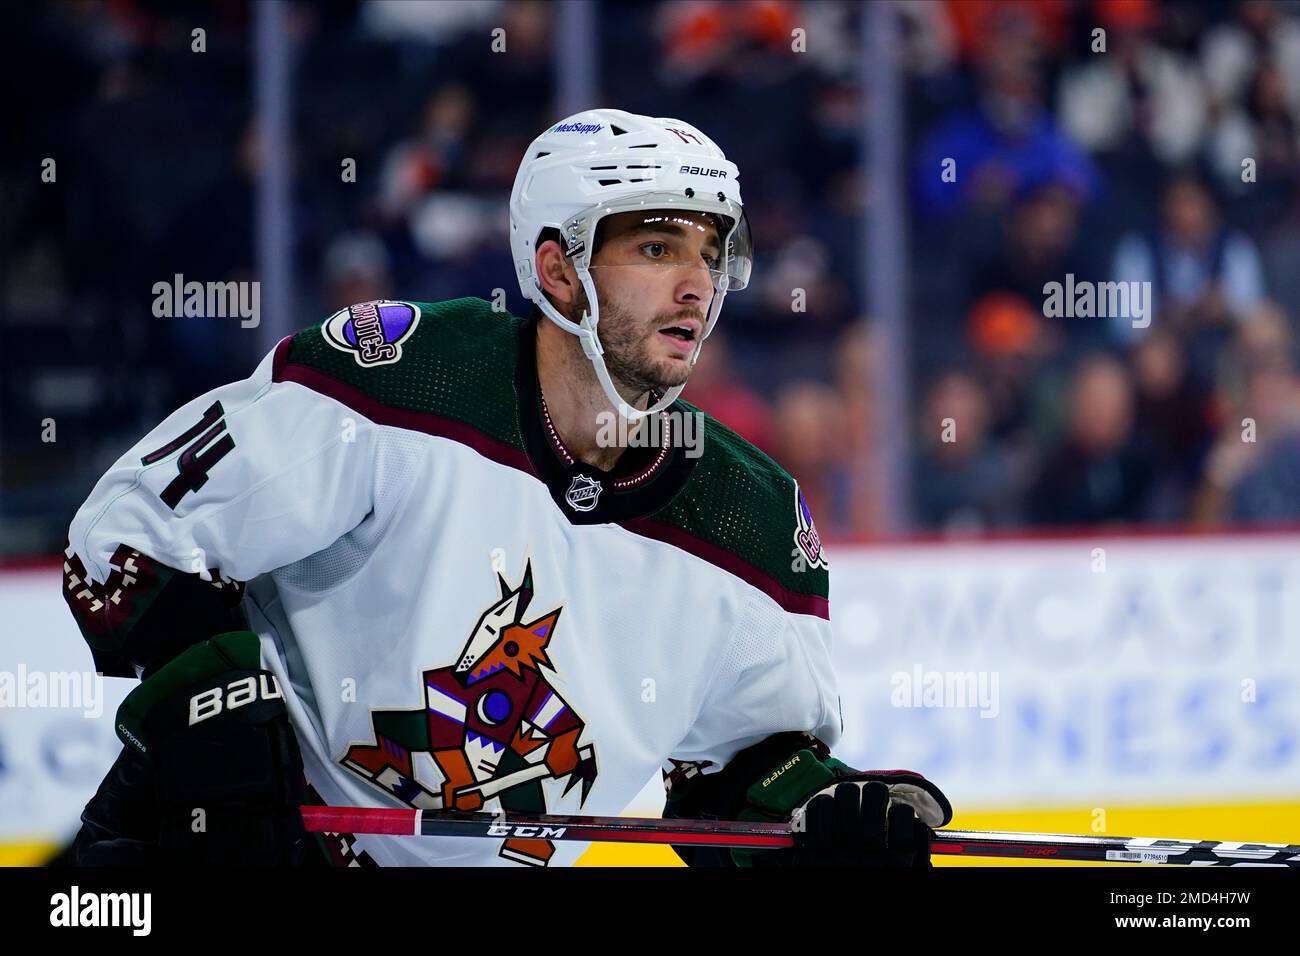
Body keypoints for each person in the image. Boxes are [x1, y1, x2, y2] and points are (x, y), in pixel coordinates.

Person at [62, 108, 950, 867]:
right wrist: (219, 728)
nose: (696, 284)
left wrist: (826, 822)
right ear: (559, 270)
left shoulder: (751, 521)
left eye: (711, 253)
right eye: (655, 245)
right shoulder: (403, 377)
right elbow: (130, 535)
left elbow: (738, 775)